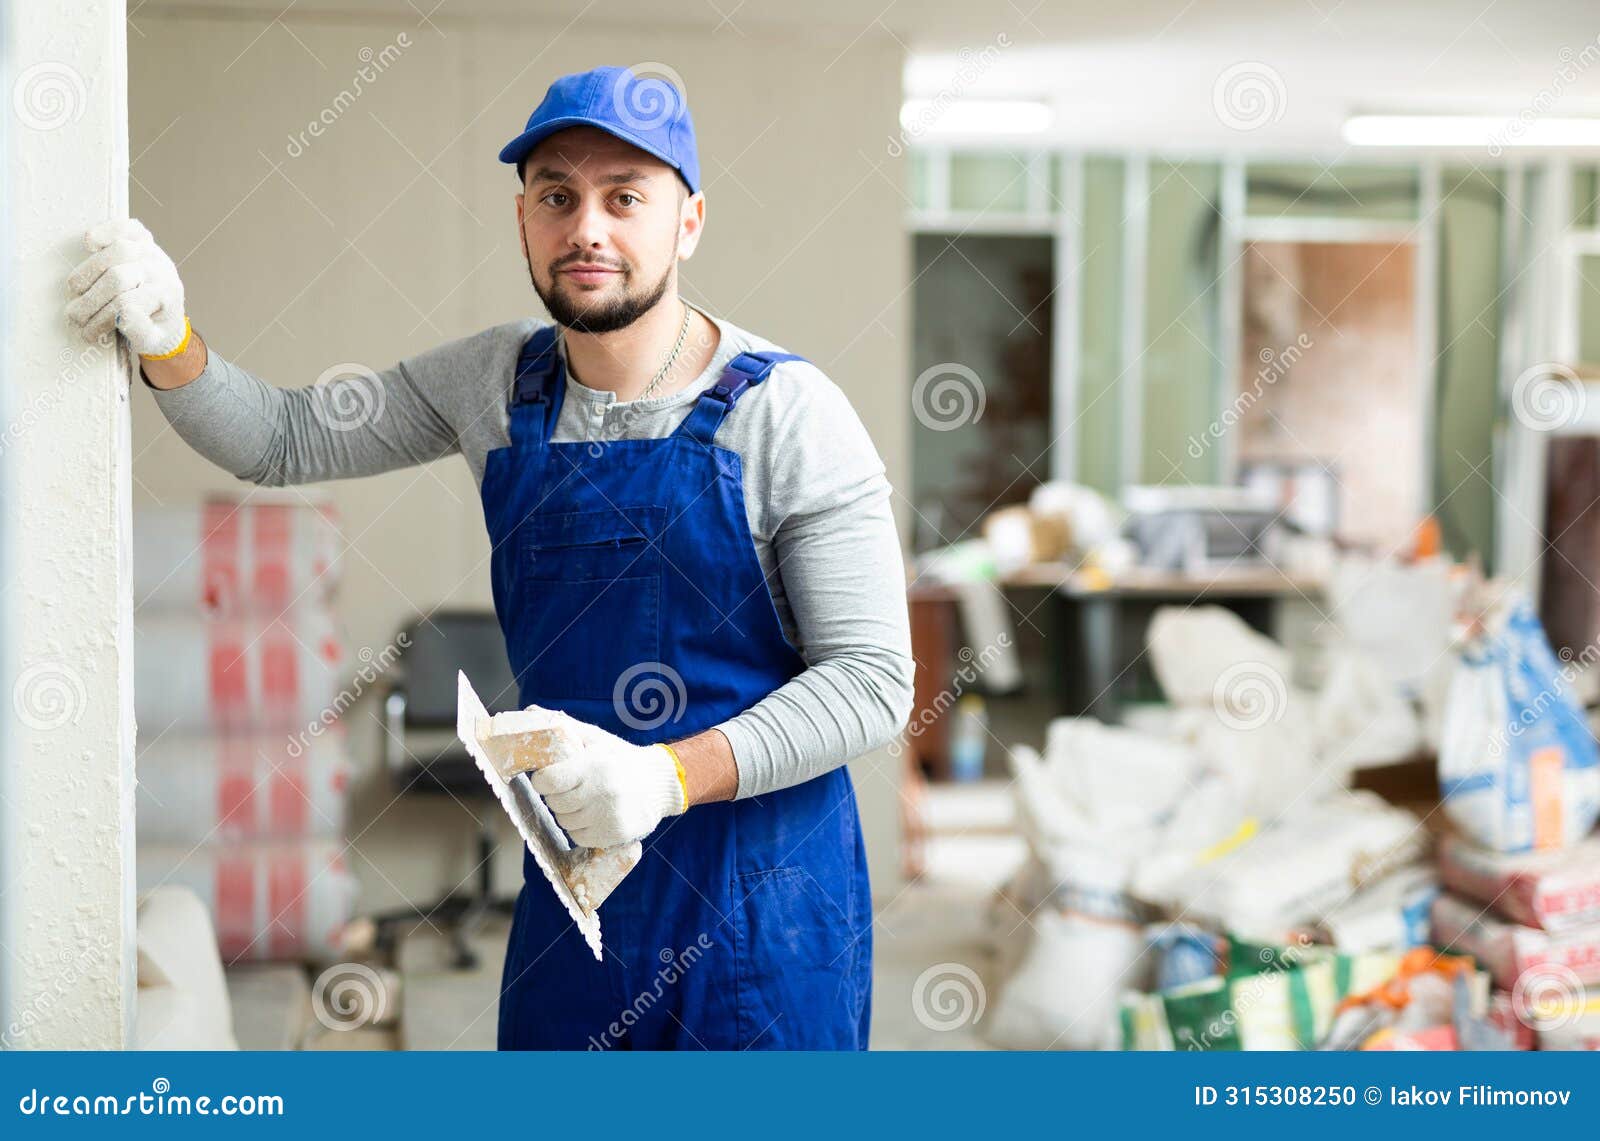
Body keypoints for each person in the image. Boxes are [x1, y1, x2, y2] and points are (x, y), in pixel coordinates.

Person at [66, 65, 913, 1050]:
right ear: (524, 221)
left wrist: (665, 778)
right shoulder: (495, 381)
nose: (587, 226)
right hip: (575, 889)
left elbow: (872, 682)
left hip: (763, 904)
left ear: (687, 223)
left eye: (625, 198)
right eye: (558, 195)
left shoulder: (785, 413)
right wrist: (169, 335)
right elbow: (285, 438)